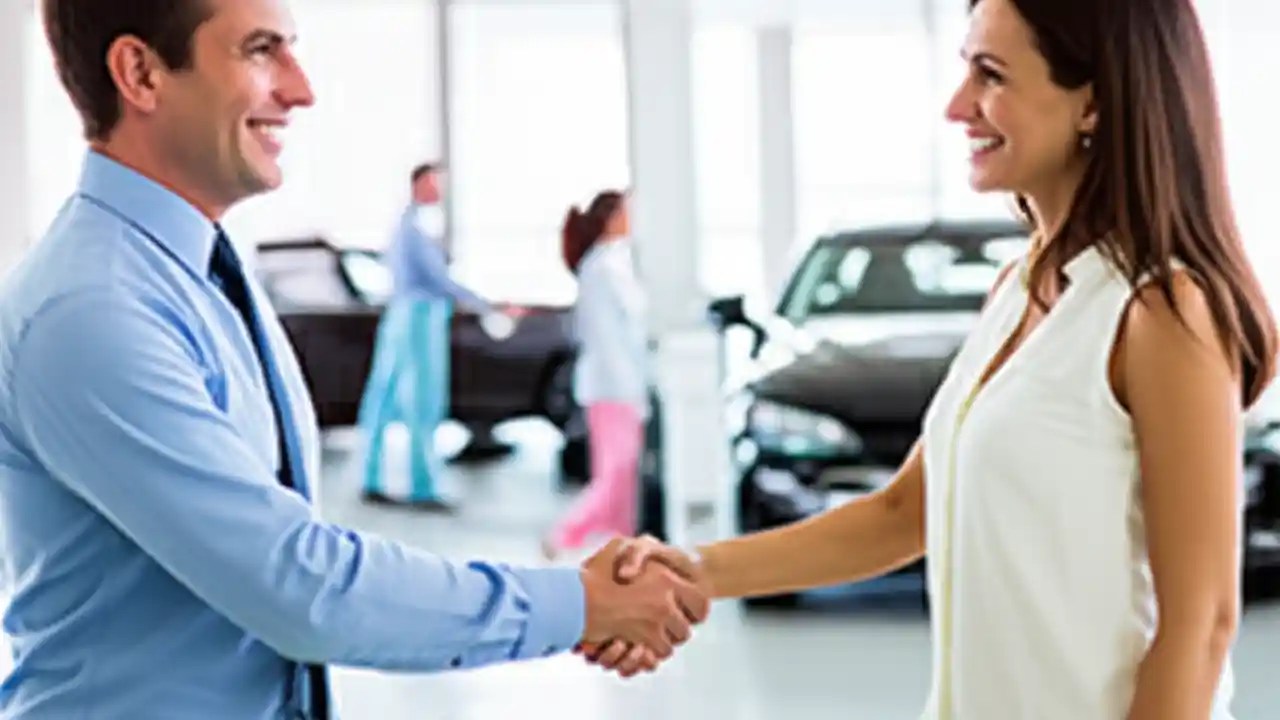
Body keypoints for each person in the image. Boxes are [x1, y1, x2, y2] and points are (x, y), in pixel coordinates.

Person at [0, 2, 706, 718]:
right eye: (261, 51)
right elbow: (300, 586)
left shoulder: (204, 273)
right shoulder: (90, 311)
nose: (301, 88)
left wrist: (592, 606)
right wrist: (580, 605)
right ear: (140, 73)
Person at [590, 0, 1279, 716]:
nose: (958, 107)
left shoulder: (1163, 312)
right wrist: (695, 570)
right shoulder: (1019, 289)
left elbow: (1201, 628)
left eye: (992, 75)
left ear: (1094, 104)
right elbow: (901, 513)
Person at [358, 162, 516, 510]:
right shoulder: (413, 230)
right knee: (422, 403)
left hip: (402, 314)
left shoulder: (406, 227)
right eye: (435, 183)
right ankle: (423, 487)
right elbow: (439, 280)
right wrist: (486, 305)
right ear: (419, 184)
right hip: (420, 317)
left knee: (383, 400)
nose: (440, 190)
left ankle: (371, 478)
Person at [542, 191, 650, 560]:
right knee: (615, 473)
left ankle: (619, 548)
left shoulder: (608, 264)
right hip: (613, 387)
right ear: (612, 218)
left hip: (615, 385)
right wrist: (632, 388)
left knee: (623, 477)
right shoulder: (605, 267)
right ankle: (565, 534)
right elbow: (613, 334)